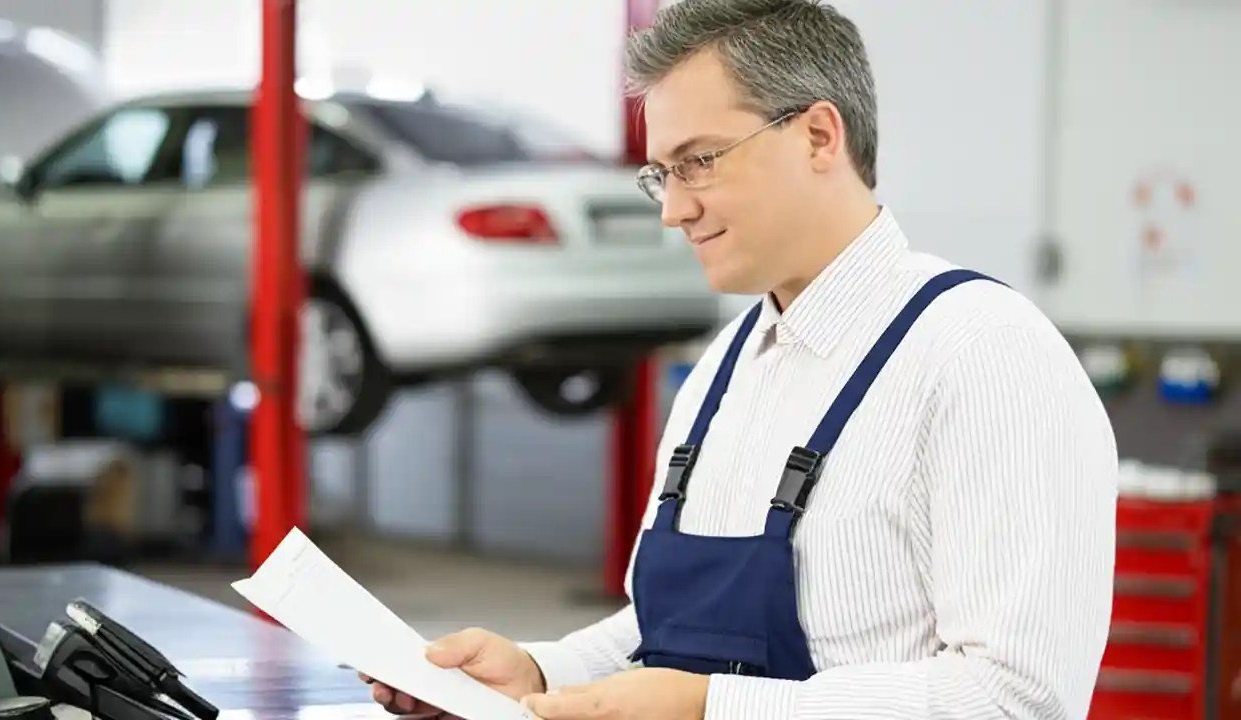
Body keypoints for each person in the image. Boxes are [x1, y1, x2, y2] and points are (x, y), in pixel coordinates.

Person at [362, 0, 1119, 717]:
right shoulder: (725, 369)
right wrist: (543, 673)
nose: (672, 208)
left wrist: (711, 708)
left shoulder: (983, 356)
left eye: (700, 162)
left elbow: (1019, 698)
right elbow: (665, 629)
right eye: (662, 172)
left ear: (820, 136)